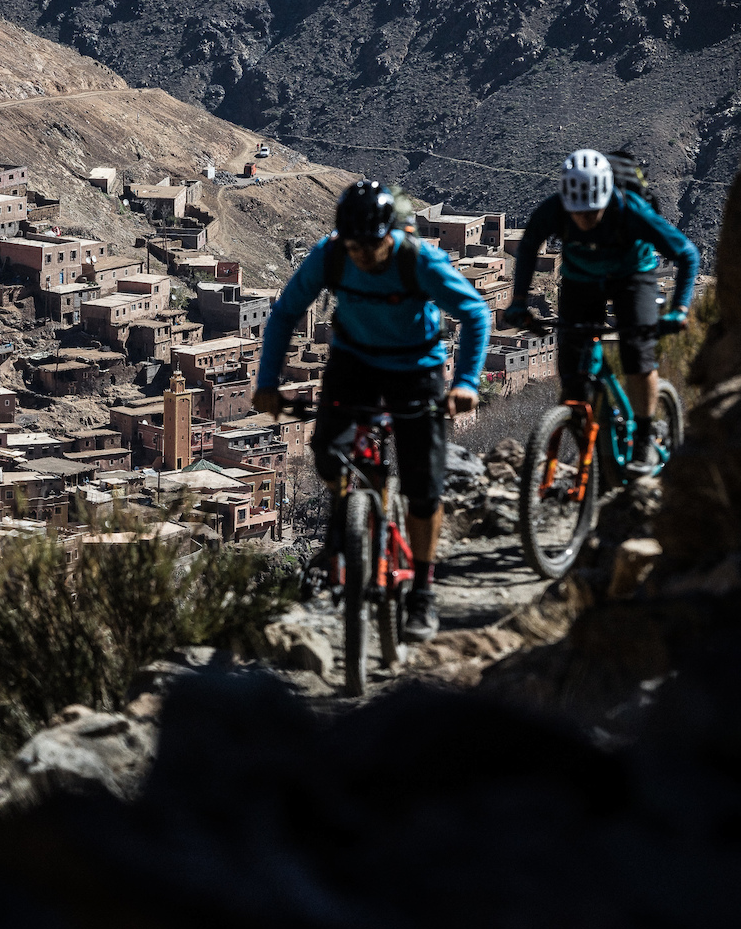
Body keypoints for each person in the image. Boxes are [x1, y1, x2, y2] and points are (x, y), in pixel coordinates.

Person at [253, 180, 491, 641]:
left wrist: (465, 382)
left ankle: (422, 590)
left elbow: (475, 313)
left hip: (415, 368)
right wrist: (266, 383)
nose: (361, 254)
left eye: (370, 245)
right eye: (353, 245)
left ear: (389, 235)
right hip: (354, 362)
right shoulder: (332, 255)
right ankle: (352, 523)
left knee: (423, 488)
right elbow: (284, 314)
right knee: (327, 453)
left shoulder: (418, 260)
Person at [503, 149, 700, 469]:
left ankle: (645, 436)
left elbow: (687, 254)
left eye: (592, 213)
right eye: (578, 214)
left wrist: (679, 309)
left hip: (632, 276)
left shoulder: (631, 211)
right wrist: (518, 302)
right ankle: (587, 442)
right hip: (581, 280)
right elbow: (527, 250)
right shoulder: (555, 210)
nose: (584, 220)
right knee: (570, 368)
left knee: (637, 353)